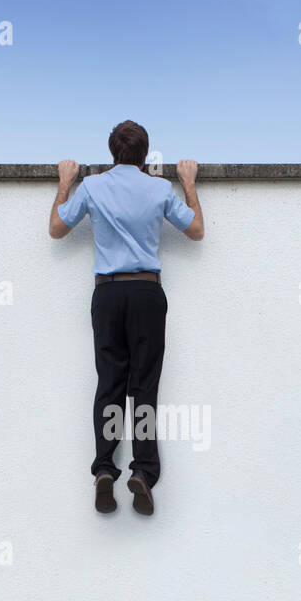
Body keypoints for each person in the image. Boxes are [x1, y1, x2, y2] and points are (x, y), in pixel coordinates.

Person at [50, 120, 204, 516]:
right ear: (145, 153)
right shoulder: (158, 188)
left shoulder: (93, 186)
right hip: (147, 292)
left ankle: (104, 468)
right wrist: (188, 182)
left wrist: (65, 181)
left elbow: (57, 228)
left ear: (111, 151)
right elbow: (196, 230)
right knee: (144, 386)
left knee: (110, 382)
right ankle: (143, 472)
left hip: (108, 292)